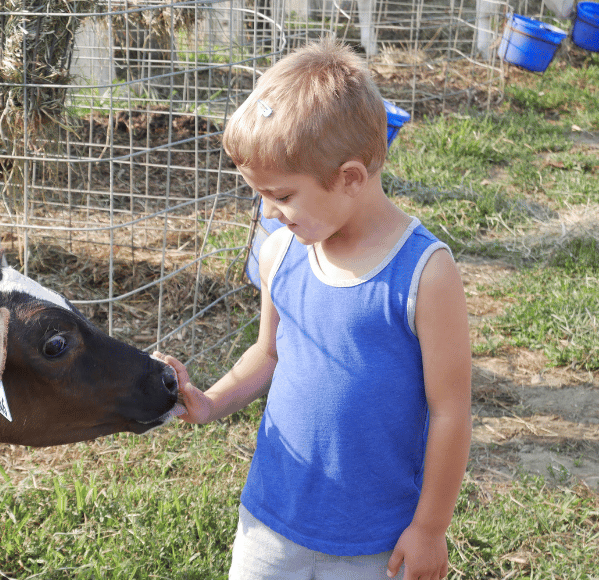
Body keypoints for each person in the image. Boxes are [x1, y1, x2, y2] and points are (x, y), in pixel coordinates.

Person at [156, 38, 471, 580]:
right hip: (271, 523)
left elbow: (451, 411)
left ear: (350, 177)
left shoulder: (425, 273)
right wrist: (209, 402)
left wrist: (429, 529)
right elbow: (268, 353)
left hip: (374, 542)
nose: (270, 214)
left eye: (281, 195)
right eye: (260, 196)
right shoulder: (283, 252)